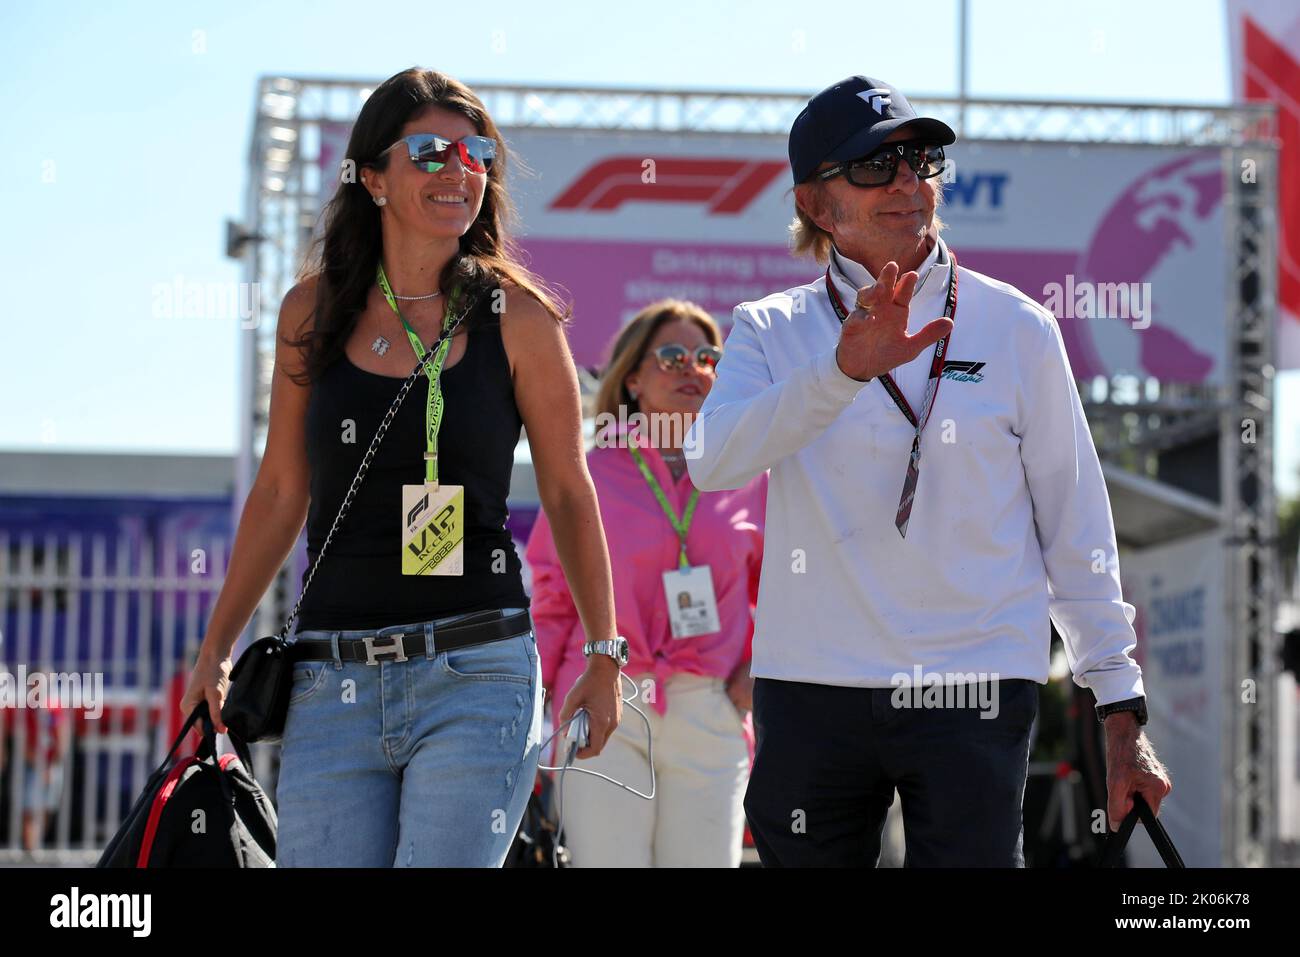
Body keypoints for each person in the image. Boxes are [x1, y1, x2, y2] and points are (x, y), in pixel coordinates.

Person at [687, 75, 1172, 867]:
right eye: (875, 166)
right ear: (815, 204)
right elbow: (713, 460)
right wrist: (840, 371)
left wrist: (1120, 704)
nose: (907, 181)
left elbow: (1075, 522)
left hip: (974, 684)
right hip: (813, 686)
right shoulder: (770, 329)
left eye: (919, 158)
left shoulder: (1018, 325)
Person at [180, 67, 623, 867]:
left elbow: (568, 488)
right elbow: (281, 491)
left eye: (476, 151)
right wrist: (214, 649)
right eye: (431, 152)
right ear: (373, 177)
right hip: (331, 680)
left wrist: (604, 650)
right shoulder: (308, 312)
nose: (460, 170)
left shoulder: (519, 318)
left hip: (477, 669)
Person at [527, 300, 766, 867]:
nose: (694, 368)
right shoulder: (588, 473)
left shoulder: (751, 472)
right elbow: (554, 599)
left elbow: (787, 588)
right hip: (606, 699)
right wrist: (539, 703)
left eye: (709, 357)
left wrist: (756, 674)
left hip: (712, 709)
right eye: (672, 356)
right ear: (632, 378)